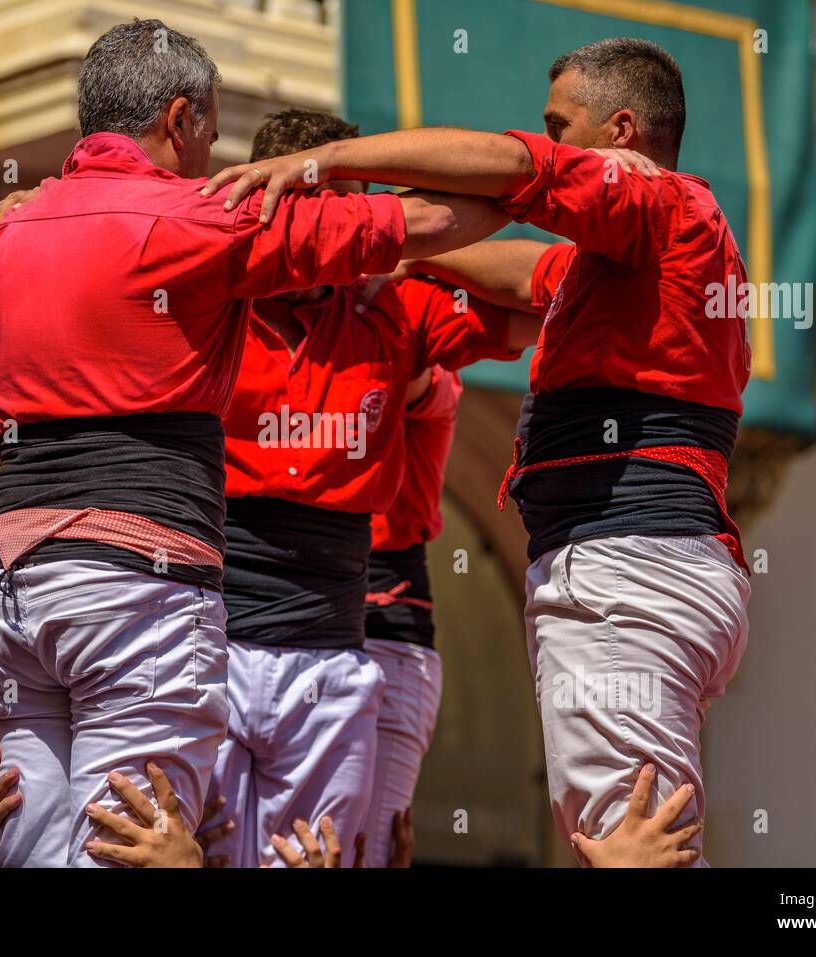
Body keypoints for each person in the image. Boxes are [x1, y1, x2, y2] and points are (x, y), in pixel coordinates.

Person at [0, 21, 511, 868]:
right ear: (180, 118)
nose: (216, 155)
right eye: (211, 133)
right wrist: (547, 179)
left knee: (28, 845)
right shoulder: (202, 221)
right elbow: (459, 209)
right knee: (135, 846)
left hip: (11, 593)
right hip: (132, 596)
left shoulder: (6, 234)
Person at [203, 37, 751, 867]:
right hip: (647, 570)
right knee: (628, 840)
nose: (546, 138)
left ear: (622, 134)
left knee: (633, 850)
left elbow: (507, 168)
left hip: (630, 573)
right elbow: (512, 267)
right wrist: (366, 228)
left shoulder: (661, 206)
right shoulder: (625, 262)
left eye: (560, 125)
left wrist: (326, 165)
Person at [198, 109, 535, 868]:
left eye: (357, 204)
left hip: (344, 647)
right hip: (211, 642)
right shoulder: (209, 289)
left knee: (349, 859)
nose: (345, 223)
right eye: (323, 201)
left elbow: (539, 303)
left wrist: (412, 252)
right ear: (268, 199)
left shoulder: (395, 304)